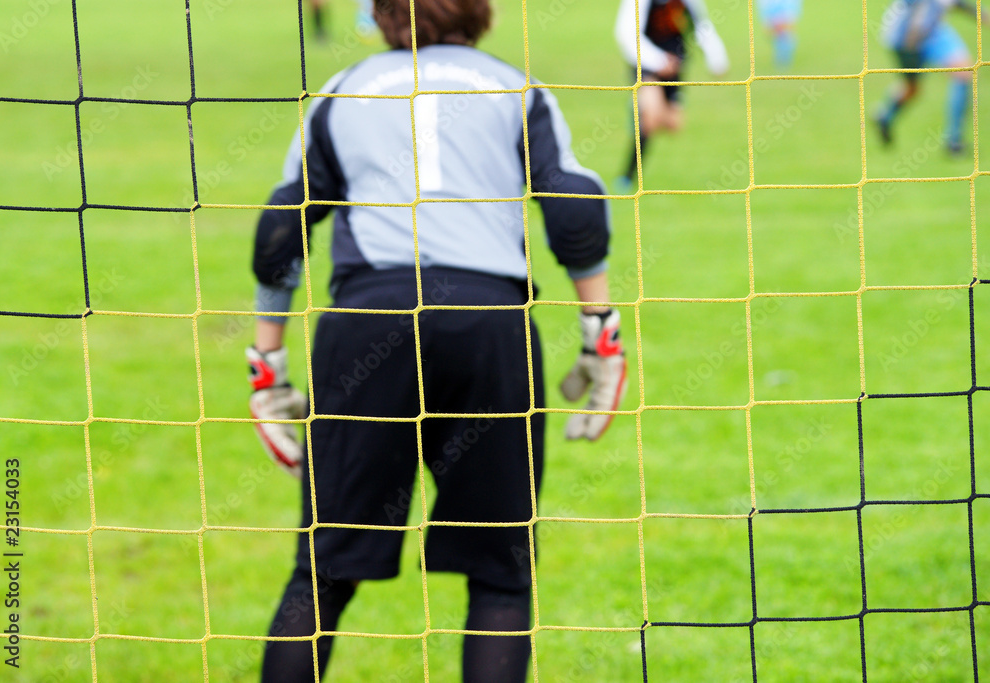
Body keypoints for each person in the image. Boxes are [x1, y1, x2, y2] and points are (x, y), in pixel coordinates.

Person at [245, 1, 627, 681]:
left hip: (369, 323)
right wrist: (602, 335)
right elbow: (573, 205)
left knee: (322, 572)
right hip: (488, 329)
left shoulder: (340, 91)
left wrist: (266, 364)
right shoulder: (517, 87)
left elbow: (281, 229)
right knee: (501, 575)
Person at [613, 0, 729, 190]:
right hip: (646, 64)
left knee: (673, 124)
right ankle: (627, 177)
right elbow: (626, 34)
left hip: (676, 65)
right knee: (650, 119)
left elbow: (701, 25)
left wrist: (717, 59)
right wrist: (658, 61)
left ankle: (641, 111)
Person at [874, 0, 988, 154]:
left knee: (964, 73)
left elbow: (958, 4)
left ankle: (954, 141)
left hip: (933, 31)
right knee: (912, 90)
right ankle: (885, 117)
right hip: (905, 40)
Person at [757, 0, 801, 69]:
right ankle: (782, 60)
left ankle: (784, 60)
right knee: (779, 34)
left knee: (785, 34)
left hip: (786, 8)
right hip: (771, 8)